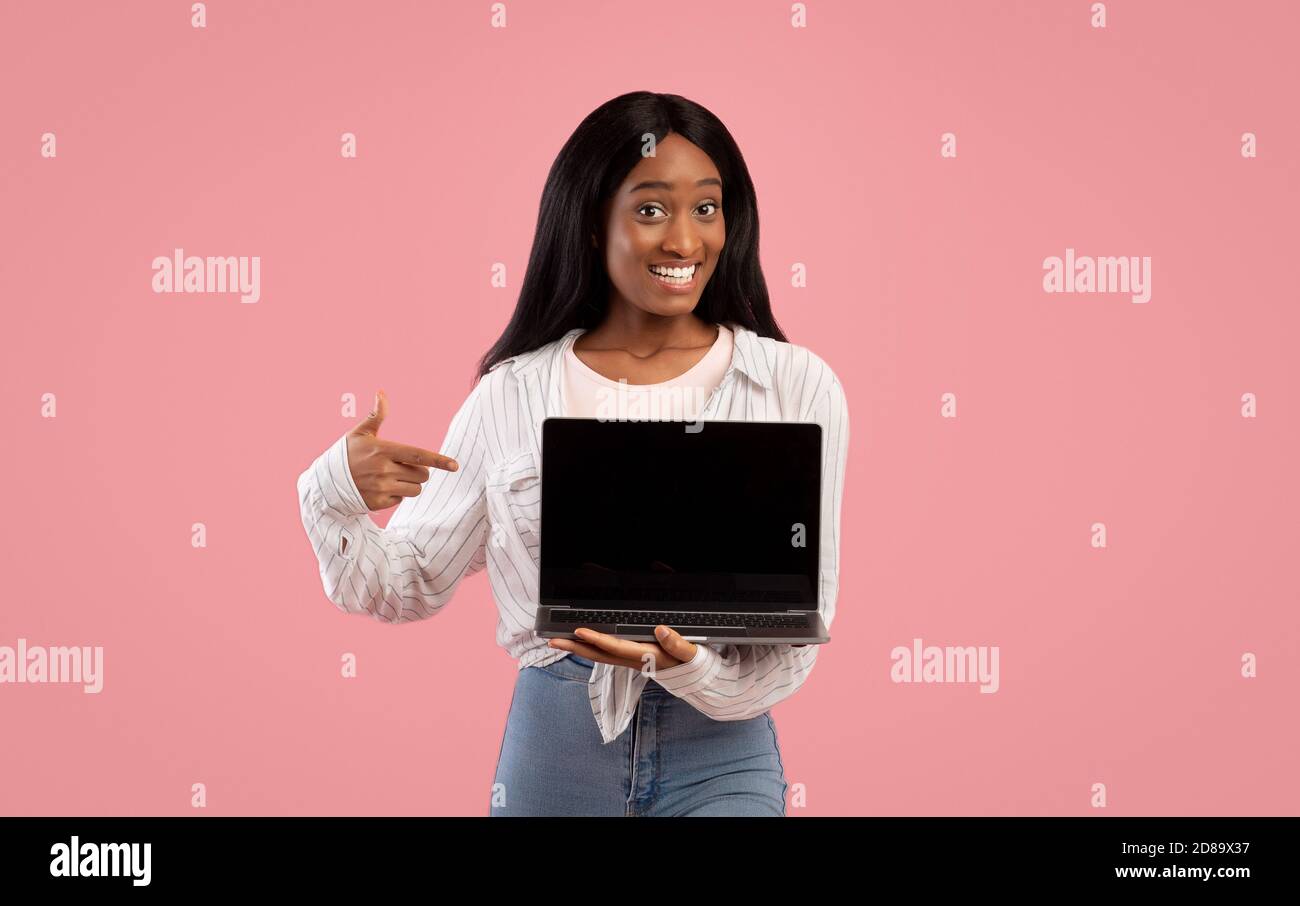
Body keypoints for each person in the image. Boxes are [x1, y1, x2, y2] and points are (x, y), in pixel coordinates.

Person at [296, 91, 849, 817]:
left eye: (706, 209)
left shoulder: (796, 385)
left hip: (721, 748)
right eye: (651, 209)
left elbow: (801, 635)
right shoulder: (513, 395)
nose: (685, 241)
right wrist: (332, 487)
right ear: (592, 222)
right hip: (556, 745)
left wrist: (691, 672)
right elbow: (405, 582)